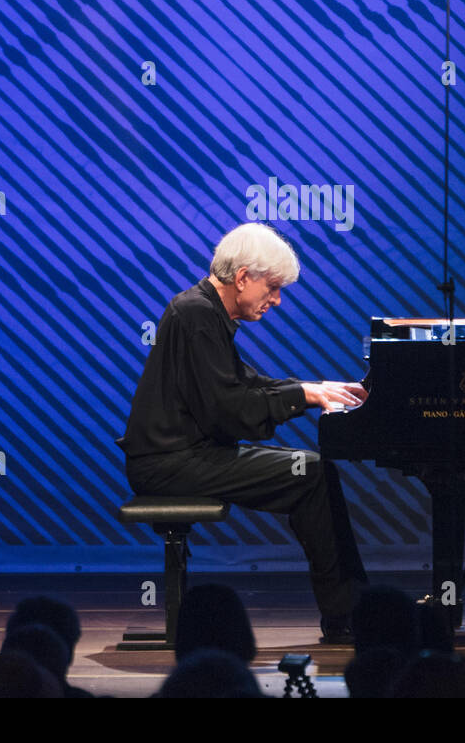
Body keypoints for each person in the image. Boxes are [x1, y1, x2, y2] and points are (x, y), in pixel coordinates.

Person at [119, 223, 368, 642]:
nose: (277, 299)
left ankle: (351, 609)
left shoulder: (203, 310)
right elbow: (229, 413)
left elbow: (243, 385)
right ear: (243, 278)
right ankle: (350, 614)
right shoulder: (197, 314)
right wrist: (301, 396)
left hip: (183, 457)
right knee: (310, 474)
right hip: (169, 464)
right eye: (272, 287)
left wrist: (311, 388)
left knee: (313, 472)